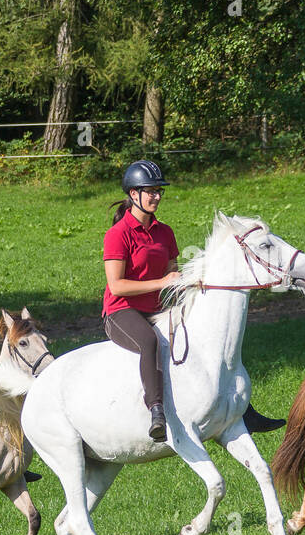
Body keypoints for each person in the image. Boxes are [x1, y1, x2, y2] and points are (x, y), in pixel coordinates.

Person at [103, 160, 286, 442]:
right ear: (133, 194)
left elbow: (171, 272)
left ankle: (243, 410)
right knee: (150, 342)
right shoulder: (118, 234)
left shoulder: (165, 232)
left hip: (157, 308)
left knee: (209, 335)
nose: (157, 196)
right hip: (122, 312)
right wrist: (162, 283)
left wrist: (188, 281)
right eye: (150, 191)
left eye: (159, 191)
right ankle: (156, 412)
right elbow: (117, 286)